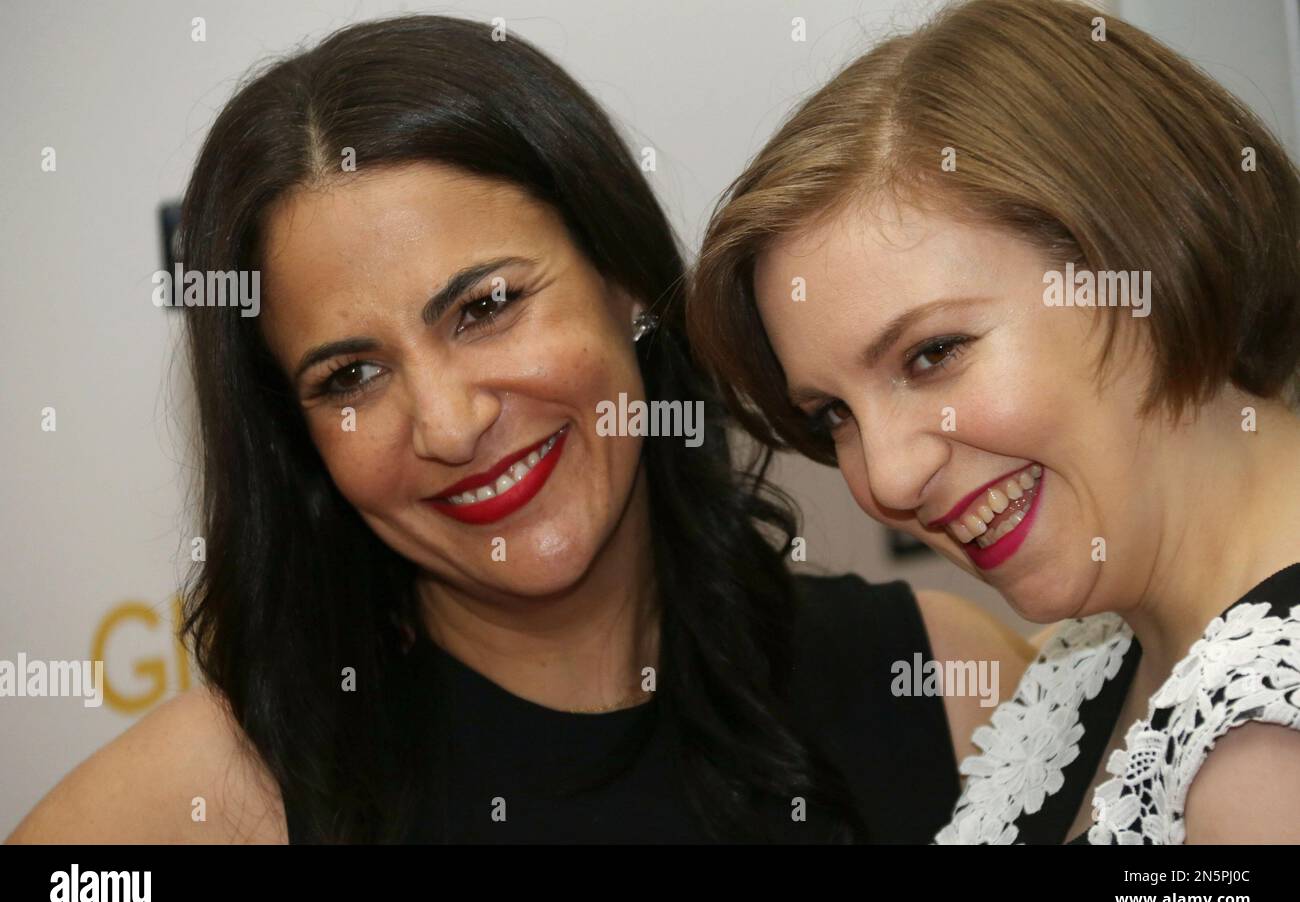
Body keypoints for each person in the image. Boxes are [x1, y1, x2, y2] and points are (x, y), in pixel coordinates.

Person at [7, 14, 1028, 845]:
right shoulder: (203, 807)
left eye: (486, 306)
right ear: (297, 435)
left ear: (625, 278)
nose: (448, 424)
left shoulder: (944, 687)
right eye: (350, 375)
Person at [687, 0, 1300, 844]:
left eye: (933, 353)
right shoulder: (1103, 654)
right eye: (833, 414)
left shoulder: (1265, 759)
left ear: (1144, 254)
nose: (887, 479)